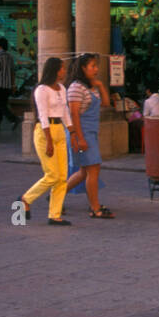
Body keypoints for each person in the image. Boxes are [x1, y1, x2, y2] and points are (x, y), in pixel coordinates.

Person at [18, 57, 73, 226]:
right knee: (52, 175)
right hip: (44, 132)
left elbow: (65, 112)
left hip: (59, 130)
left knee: (62, 176)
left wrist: (73, 133)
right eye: (62, 68)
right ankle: (25, 199)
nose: (64, 71)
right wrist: (48, 140)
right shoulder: (41, 90)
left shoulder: (62, 88)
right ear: (55, 70)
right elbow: (42, 115)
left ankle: (54, 214)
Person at [63, 54, 114, 219]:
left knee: (84, 172)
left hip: (91, 132)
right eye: (92, 66)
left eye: (96, 66)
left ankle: (56, 195)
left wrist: (100, 85)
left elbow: (106, 103)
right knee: (93, 169)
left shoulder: (91, 87)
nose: (96, 69)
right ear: (83, 68)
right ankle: (95, 208)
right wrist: (80, 138)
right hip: (83, 132)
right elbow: (74, 114)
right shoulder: (76, 87)